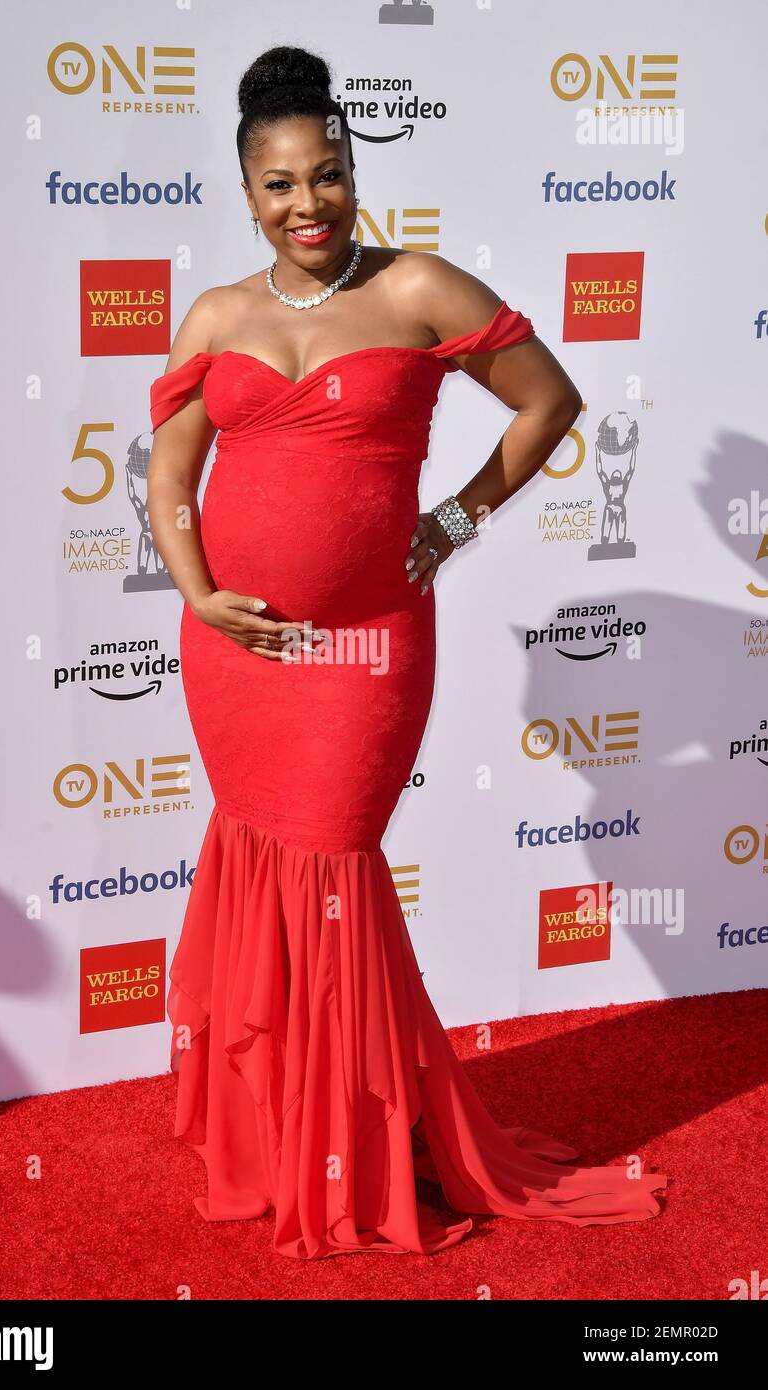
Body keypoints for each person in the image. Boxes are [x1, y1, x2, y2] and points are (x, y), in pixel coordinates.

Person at [147, 44, 669, 1260]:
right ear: (246, 193)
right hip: (232, 657)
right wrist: (201, 595)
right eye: (279, 185)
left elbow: (549, 404)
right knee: (258, 861)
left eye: (326, 175)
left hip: (364, 651)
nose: (307, 204)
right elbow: (170, 477)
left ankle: (358, 1157)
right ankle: (282, 1137)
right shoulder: (215, 315)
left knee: (330, 869)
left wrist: (449, 521)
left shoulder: (421, 289)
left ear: (353, 173)